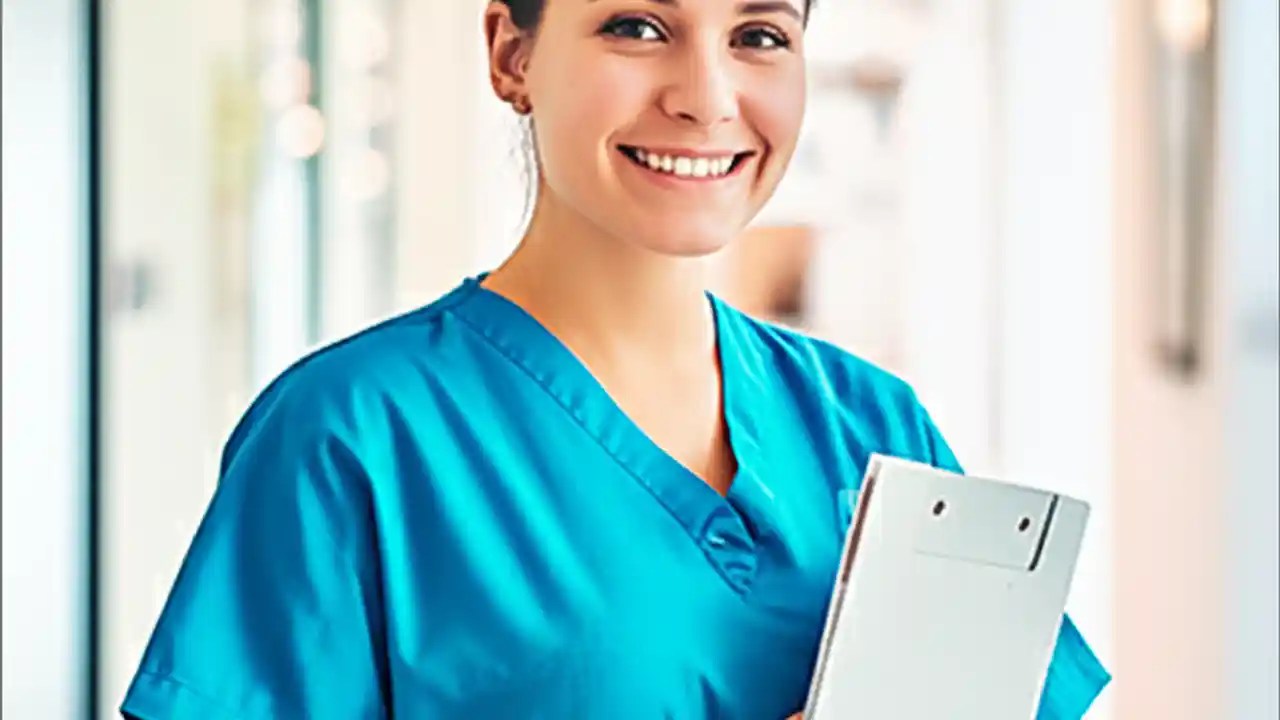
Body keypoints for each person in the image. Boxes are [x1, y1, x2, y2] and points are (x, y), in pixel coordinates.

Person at [120, 0, 1111, 717]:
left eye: (759, 35)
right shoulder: (352, 436)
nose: (707, 98)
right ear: (511, 53)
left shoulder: (872, 424)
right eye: (637, 27)